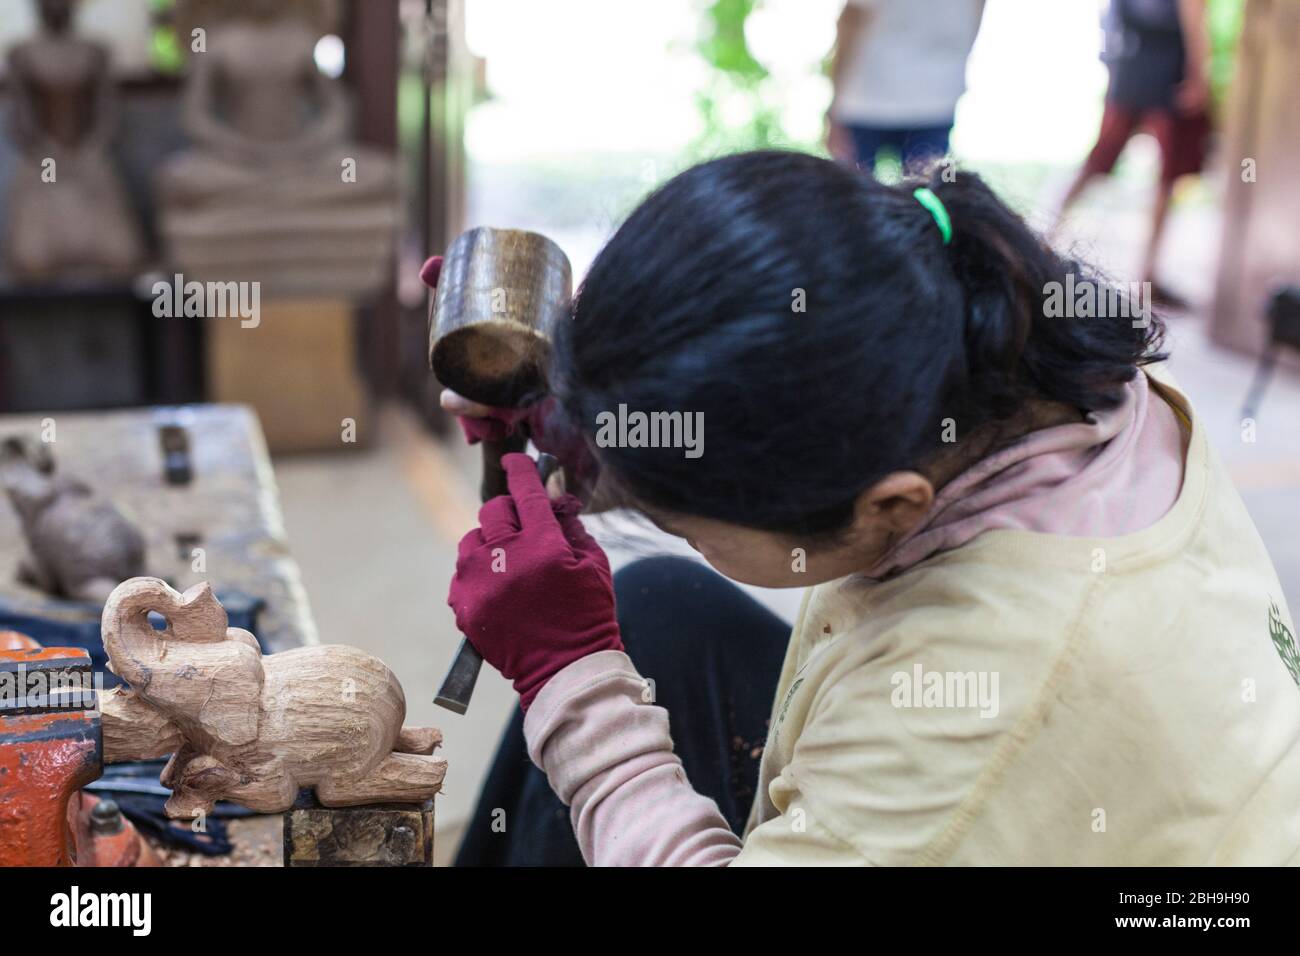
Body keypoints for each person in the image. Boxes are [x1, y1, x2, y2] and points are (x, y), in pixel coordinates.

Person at [436, 151, 1300, 866]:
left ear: (889, 507)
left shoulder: (977, 702)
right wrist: (593, 426)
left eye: (689, 524)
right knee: (662, 608)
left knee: (600, 673)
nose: (676, 530)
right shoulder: (1019, 363)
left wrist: (570, 677)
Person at [1053, 0, 1213, 307]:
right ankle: (1147, 275)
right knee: (1165, 177)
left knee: (1098, 164)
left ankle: (1046, 235)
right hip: (1166, 74)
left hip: (1131, 66)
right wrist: (1197, 75)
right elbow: (1194, 16)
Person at [825, 0, 986, 172]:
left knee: (850, 191)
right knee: (934, 190)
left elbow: (851, 20)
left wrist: (836, 103)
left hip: (866, 98)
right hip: (937, 98)